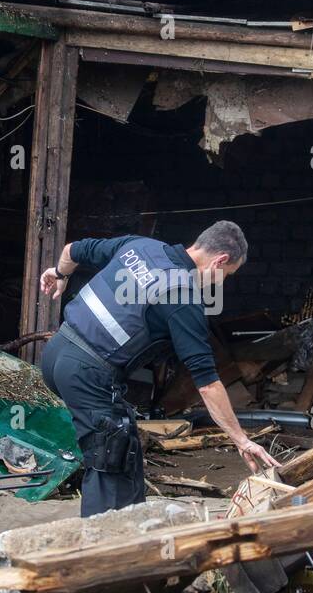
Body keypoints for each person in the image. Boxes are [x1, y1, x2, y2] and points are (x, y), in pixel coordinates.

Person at [38, 220, 280, 517]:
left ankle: (136, 534)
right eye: (226, 276)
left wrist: (59, 274)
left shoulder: (140, 246)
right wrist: (241, 440)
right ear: (220, 261)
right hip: (86, 373)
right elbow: (206, 382)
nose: (221, 284)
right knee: (109, 459)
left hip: (56, 353)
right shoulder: (183, 295)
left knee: (126, 443)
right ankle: (100, 550)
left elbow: (72, 250)